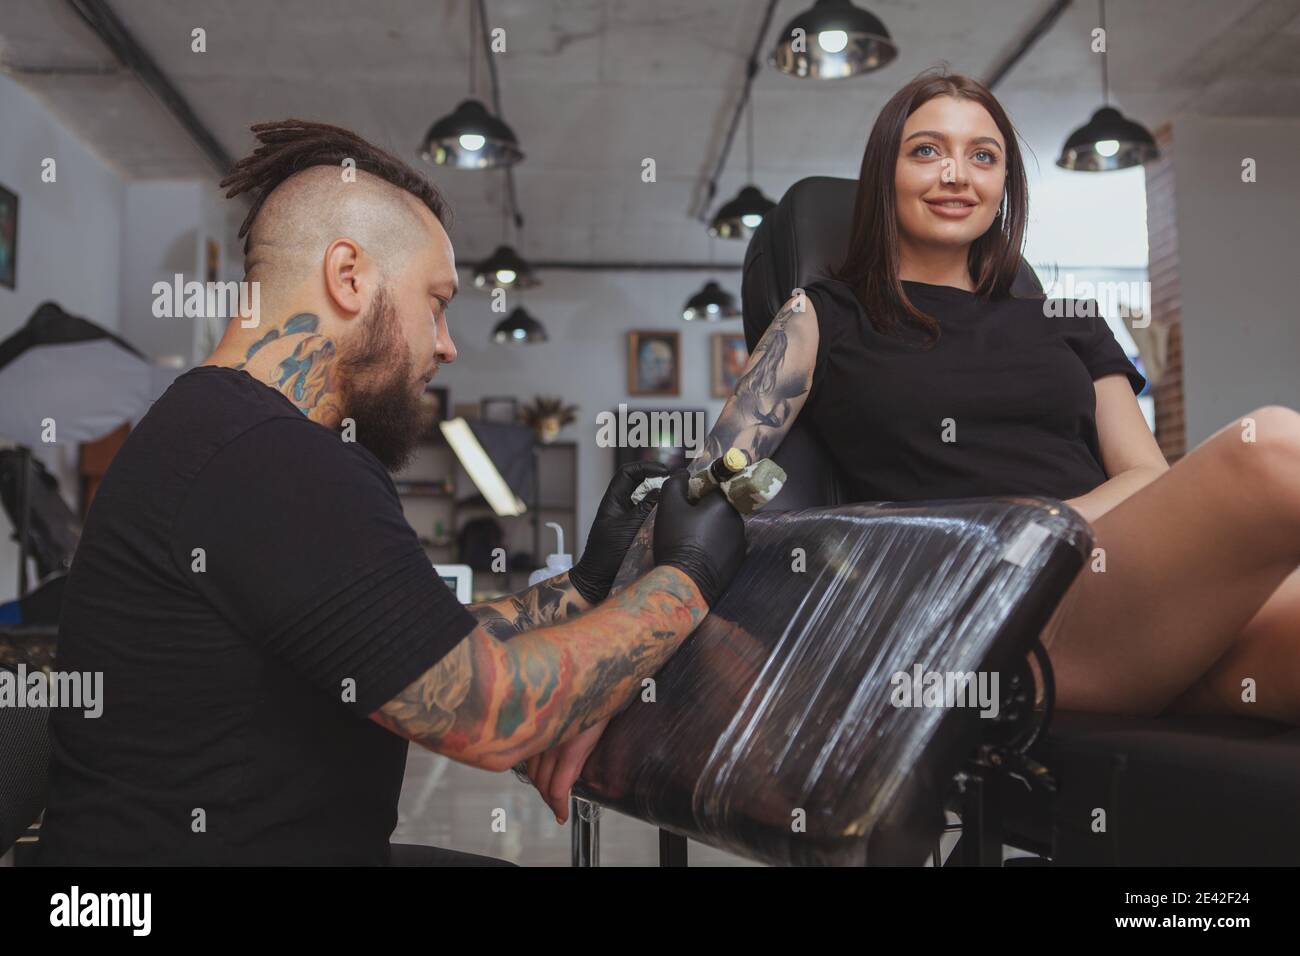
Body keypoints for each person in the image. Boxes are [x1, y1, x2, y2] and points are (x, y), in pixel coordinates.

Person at [524, 70, 1300, 812]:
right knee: (1273, 447)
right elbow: (711, 483)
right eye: (927, 149)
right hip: (987, 613)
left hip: (1117, 580)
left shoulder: (1068, 315)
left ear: (1004, 186)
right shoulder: (822, 315)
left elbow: (1146, 477)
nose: (956, 173)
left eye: (983, 155)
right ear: (884, 172)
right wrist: (616, 655)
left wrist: (1051, 530)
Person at [37, 119, 746, 866]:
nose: (446, 343)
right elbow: (491, 710)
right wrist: (685, 579)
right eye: (435, 302)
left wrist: (588, 582)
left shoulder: (228, 432)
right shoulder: (272, 458)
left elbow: (422, 643)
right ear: (349, 277)